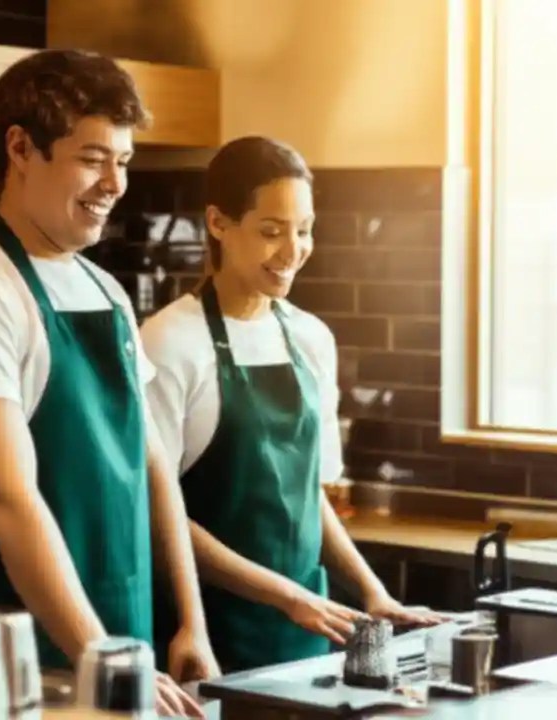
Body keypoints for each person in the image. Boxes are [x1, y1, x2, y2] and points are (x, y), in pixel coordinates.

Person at [0, 49, 215, 715]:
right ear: (20, 148)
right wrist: (103, 658)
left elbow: (152, 464)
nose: (115, 183)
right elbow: (8, 499)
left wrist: (190, 619)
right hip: (4, 670)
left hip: (113, 645)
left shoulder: (105, 291)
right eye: (93, 158)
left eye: (123, 161)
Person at [140, 136, 442, 673]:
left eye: (304, 230)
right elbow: (159, 516)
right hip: (207, 635)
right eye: (271, 231)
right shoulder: (168, 343)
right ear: (218, 223)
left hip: (309, 628)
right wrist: (284, 596)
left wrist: (374, 596)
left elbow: (308, 501)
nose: (292, 250)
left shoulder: (309, 338)